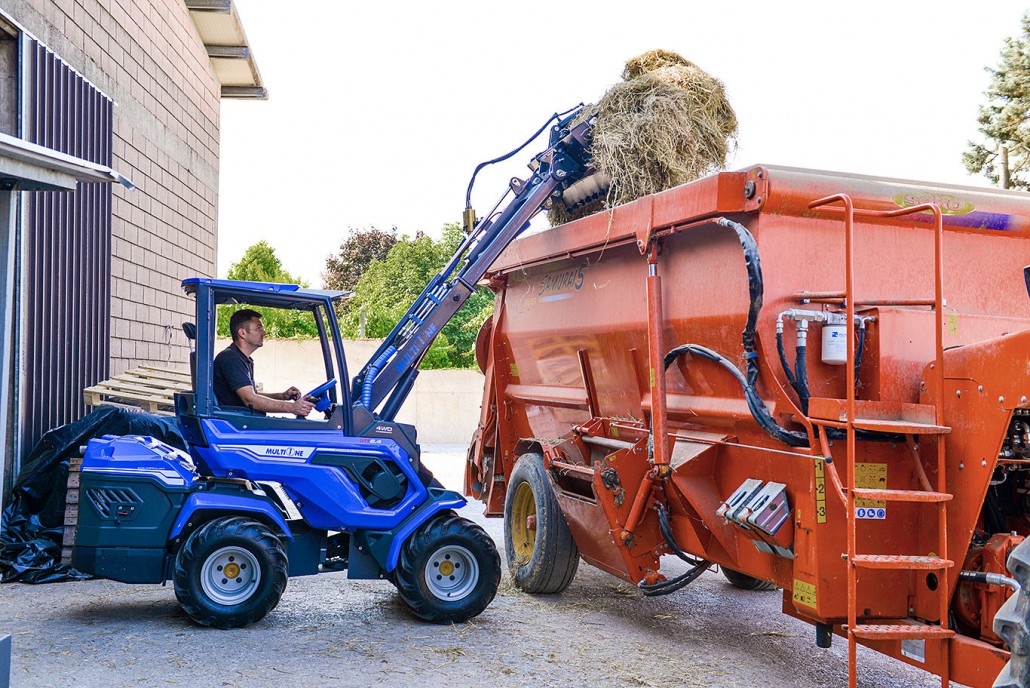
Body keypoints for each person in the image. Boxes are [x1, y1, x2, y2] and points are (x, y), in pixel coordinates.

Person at [213, 308, 315, 416]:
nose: (264, 333)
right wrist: (292, 407)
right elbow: (250, 400)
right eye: (258, 328)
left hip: (243, 420)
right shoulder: (232, 359)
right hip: (238, 424)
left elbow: (253, 395)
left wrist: (282, 396)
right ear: (242, 333)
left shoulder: (242, 358)